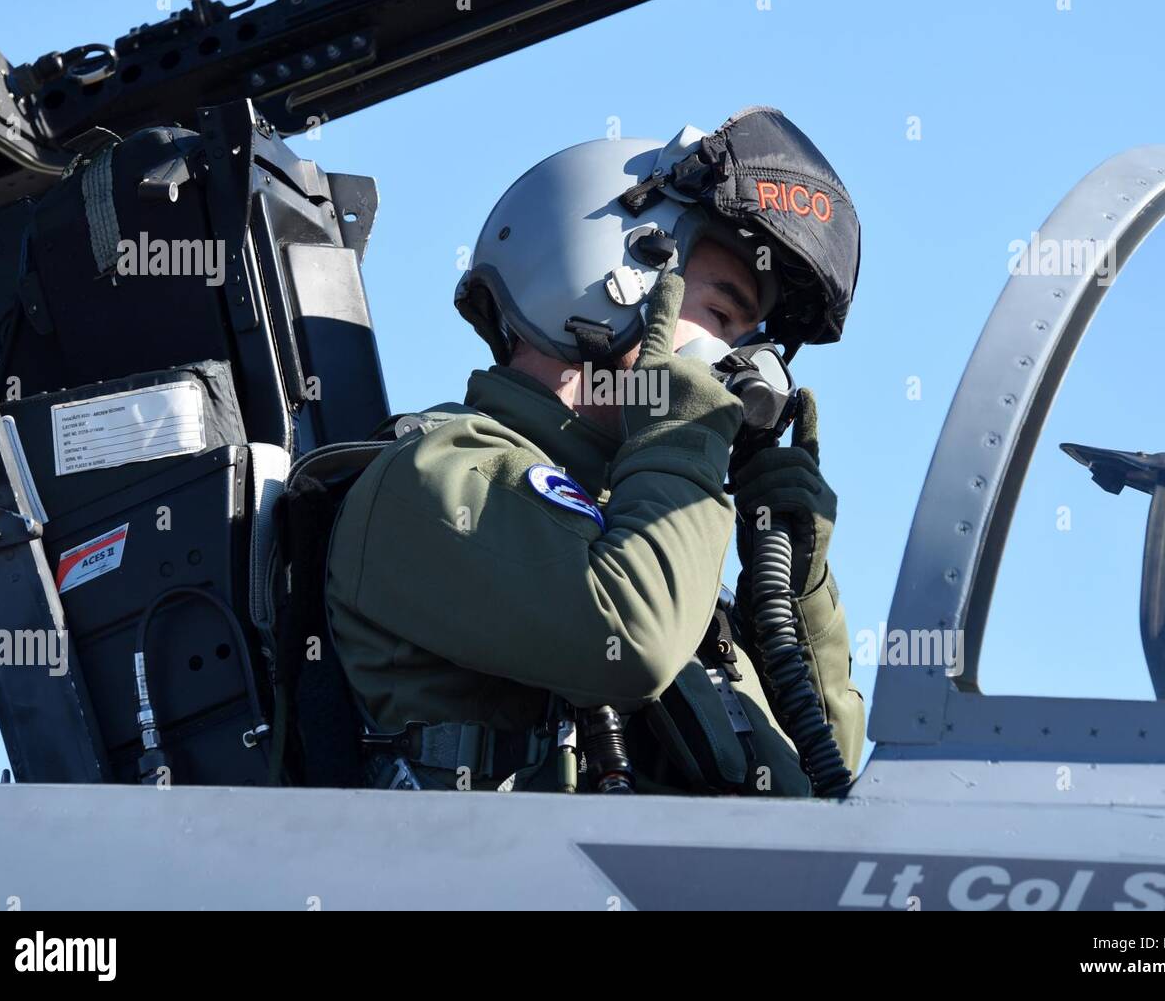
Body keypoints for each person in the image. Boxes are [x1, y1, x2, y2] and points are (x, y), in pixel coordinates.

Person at [325, 106, 864, 794]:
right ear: (614, 278)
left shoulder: (659, 552)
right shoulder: (433, 478)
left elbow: (827, 799)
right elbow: (631, 641)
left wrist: (796, 583)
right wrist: (679, 436)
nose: (747, 367)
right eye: (724, 318)